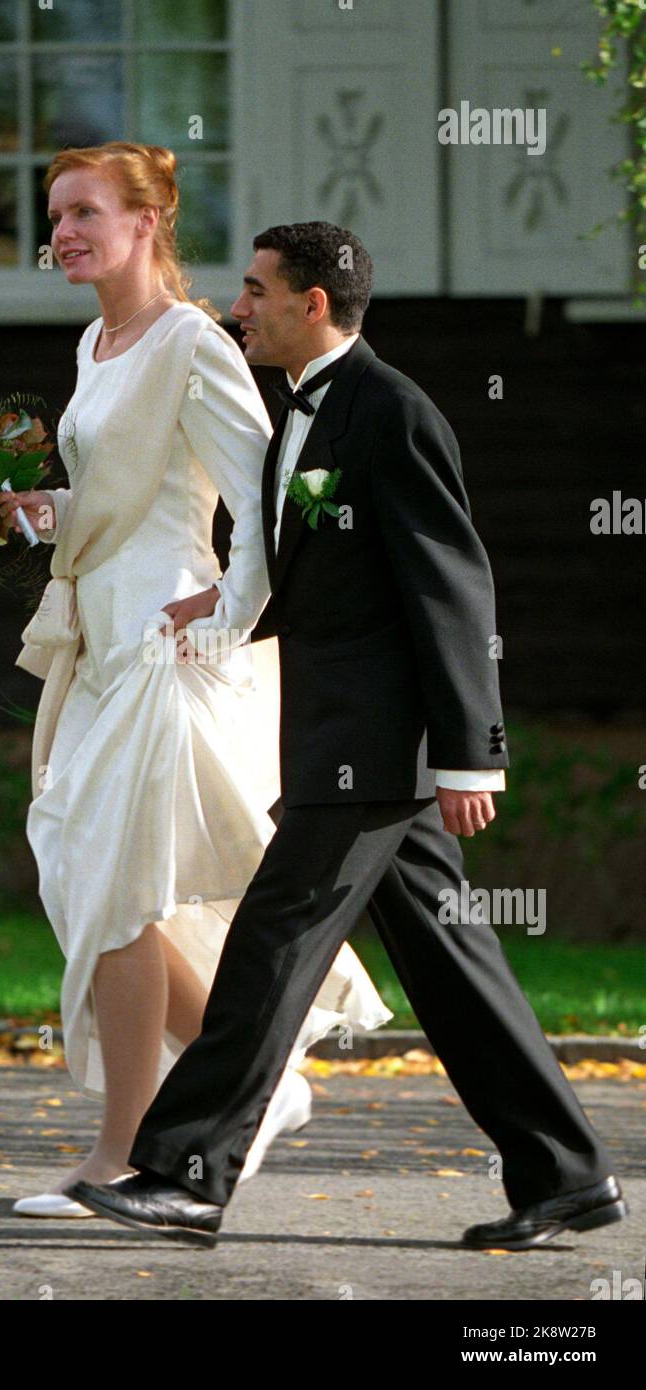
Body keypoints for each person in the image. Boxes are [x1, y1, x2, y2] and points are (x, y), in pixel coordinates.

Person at [68, 222, 627, 1251]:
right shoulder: (301, 418)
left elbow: (450, 587)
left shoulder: (391, 411)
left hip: (371, 752)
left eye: (255, 291)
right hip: (339, 740)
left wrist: (469, 753)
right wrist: (224, 610)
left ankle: (188, 1169)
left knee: (271, 946)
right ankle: (567, 1172)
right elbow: (333, 572)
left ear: (311, 305)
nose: (238, 307)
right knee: (453, 964)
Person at [0, 155, 393, 1218]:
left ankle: (121, 1155)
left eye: (87, 212)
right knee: (88, 885)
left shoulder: (192, 342)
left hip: (167, 648)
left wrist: (225, 612)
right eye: (57, 216)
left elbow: (270, 495)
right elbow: (124, 487)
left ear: (146, 220)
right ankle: (252, 1088)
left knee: (118, 895)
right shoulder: (96, 341)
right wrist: (50, 510)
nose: (66, 230)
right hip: (97, 642)